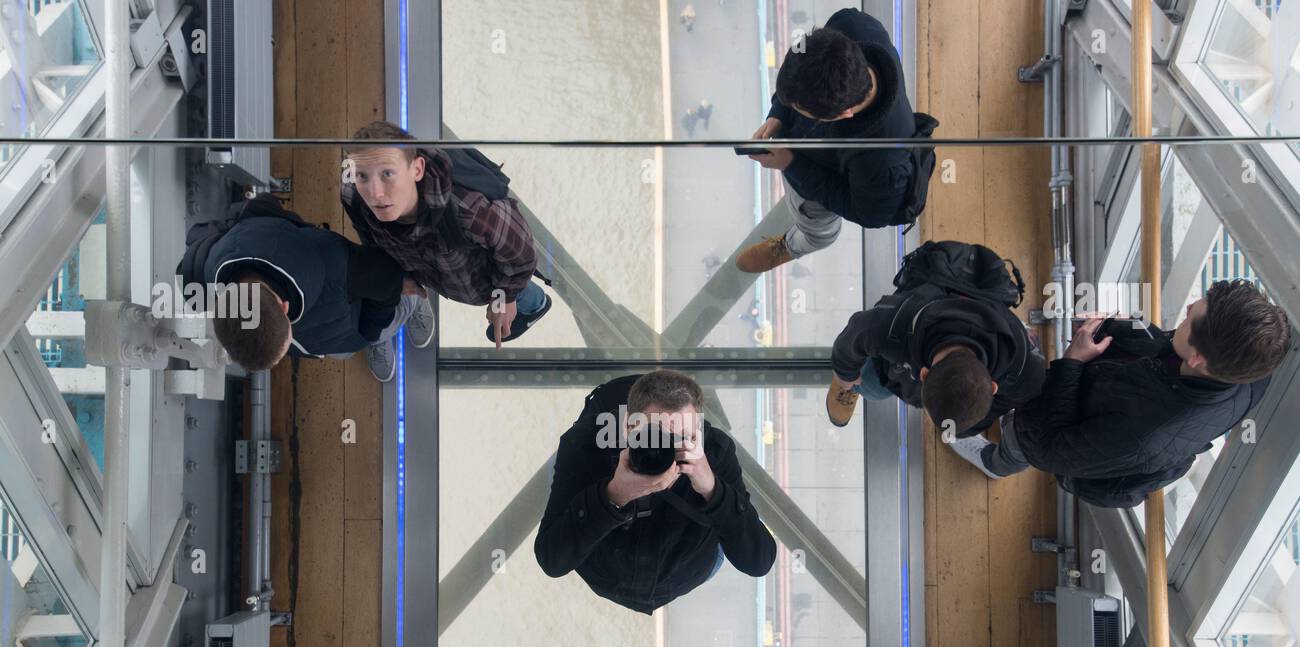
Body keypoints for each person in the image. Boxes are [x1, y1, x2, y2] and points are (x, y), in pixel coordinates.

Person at [948, 282, 1292, 508]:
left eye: (1191, 318)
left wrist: (1072, 362)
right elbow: (1162, 346)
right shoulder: (1246, 368)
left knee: (1017, 443)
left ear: (1198, 358)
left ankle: (995, 463)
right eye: (1199, 303)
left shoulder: (1145, 435)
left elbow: (1046, 449)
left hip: (1050, 435)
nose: (1188, 308)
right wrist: (1115, 327)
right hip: (1097, 400)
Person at [535, 370, 777, 614]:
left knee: (727, 526)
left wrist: (711, 487)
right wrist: (614, 495)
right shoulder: (586, 444)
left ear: (698, 433)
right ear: (629, 426)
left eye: (683, 438)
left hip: (688, 570)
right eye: (654, 436)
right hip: (604, 573)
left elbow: (759, 561)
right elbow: (552, 559)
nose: (667, 449)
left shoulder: (714, 451)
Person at [340, 121, 552, 377]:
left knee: (515, 288)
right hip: (433, 272)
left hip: (481, 279)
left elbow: (521, 257)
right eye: (363, 176)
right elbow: (370, 239)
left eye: (387, 174)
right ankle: (409, 305)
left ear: (417, 169)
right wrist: (399, 278)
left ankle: (536, 304)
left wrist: (503, 298)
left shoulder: (469, 211)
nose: (375, 194)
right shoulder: (353, 194)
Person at [738, 7, 935, 274]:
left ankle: (790, 246)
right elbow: (801, 65)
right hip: (809, 151)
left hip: (825, 176)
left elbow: (867, 214)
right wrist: (779, 114)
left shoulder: (883, 165)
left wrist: (791, 164)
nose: (791, 107)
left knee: (818, 231)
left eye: (798, 107)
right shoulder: (851, 23)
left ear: (844, 114)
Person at [180, 193, 431, 382]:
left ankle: (412, 305)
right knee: (342, 351)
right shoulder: (217, 279)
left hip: (356, 311)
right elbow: (261, 205)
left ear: (284, 307)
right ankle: (366, 339)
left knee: (393, 304)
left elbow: (386, 277)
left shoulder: (337, 268)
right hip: (330, 333)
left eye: (284, 346)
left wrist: (371, 332)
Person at [825, 240, 1046, 434]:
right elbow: (855, 332)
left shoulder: (1027, 369)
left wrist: (961, 423)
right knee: (872, 385)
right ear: (922, 374)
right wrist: (845, 373)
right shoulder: (897, 323)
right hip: (923, 308)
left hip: (973, 308)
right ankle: (851, 387)